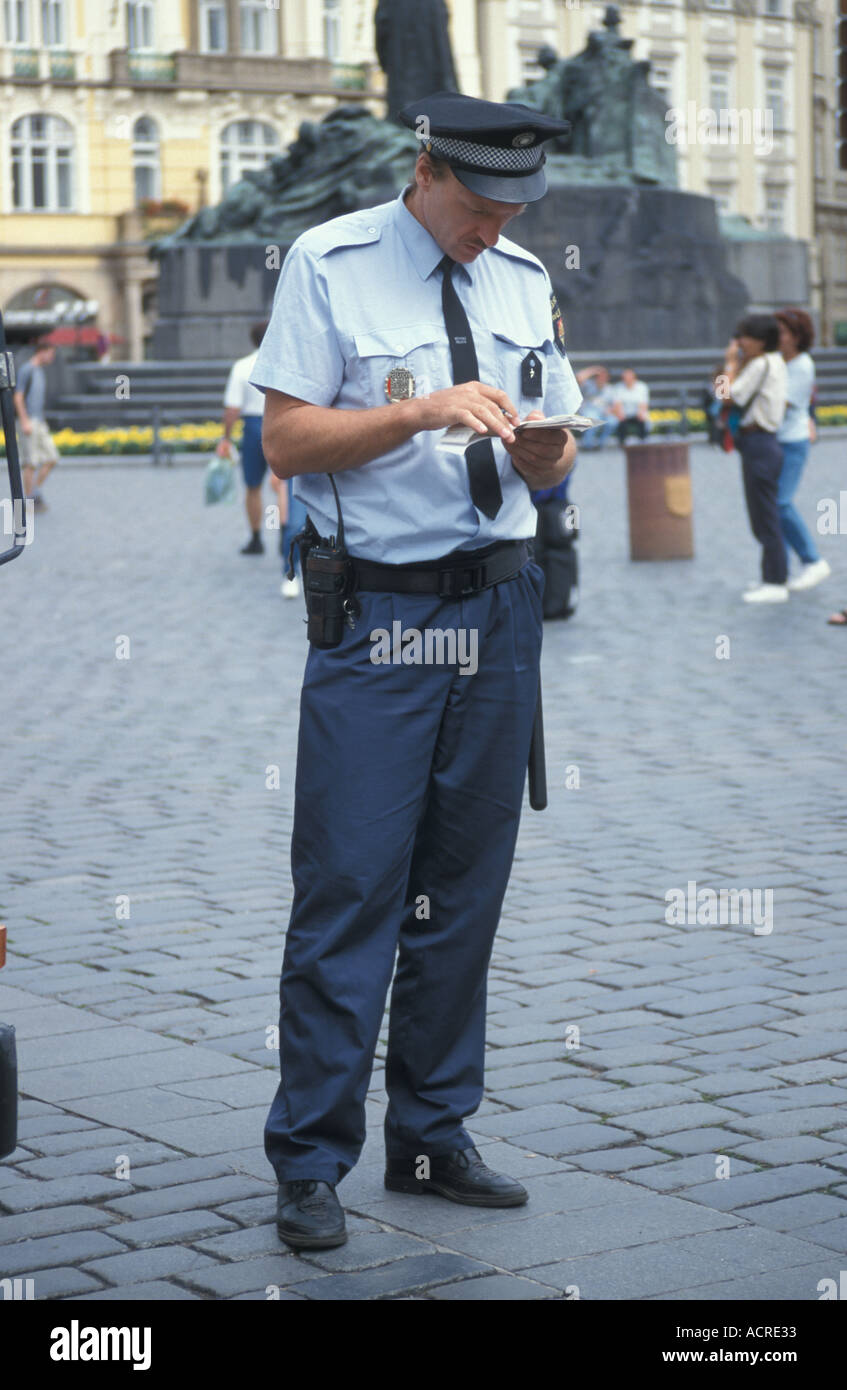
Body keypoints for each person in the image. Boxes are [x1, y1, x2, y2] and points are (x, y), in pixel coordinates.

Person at [250, 91, 581, 1250]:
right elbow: (284, 439)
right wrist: (416, 414)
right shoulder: (329, 263)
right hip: (379, 620)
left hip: (499, 608)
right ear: (424, 167)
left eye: (512, 210)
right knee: (350, 885)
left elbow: (559, 433)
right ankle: (310, 1158)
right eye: (478, 206)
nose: (491, 228)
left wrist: (546, 452)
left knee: (463, 888)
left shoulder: (524, 273)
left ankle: (433, 1130)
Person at [722, 314, 788, 603]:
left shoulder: (760, 363)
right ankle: (770, 577)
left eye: (744, 336)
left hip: (759, 442)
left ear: (760, 340)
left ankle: (775, 582)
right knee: (764, 513)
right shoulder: (775, 362)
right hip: (765, 442)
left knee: (765, 515)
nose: (740, 342)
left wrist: (731, 364)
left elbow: (726, 395)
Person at [775, 307, 830, 592]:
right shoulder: (769, 361)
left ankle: (813, 560)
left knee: (780, 503)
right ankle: (777, 573)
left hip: (790, 440)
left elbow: (783, 406)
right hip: (763, 442)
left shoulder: (801, 365)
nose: (776, 336)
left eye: (782, 331)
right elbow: (721, 393)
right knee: (769, 508)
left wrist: (739, 397)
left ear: (797, 337)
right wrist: (730, 364)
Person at [13, 337, 58, 512]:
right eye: (51, 354)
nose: (52, 358)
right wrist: (24, 421)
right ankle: (29, 500)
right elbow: (18, 396)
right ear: (42, 351)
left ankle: (33, 493)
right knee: (30, 462)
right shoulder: (27, 370)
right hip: (29, 421)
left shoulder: (39, 371)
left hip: (39, 421)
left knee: (52, 458)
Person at [575, 365, 615, 449]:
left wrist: (610, 410)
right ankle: (587, 444)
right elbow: (579, 377)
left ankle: (600, 444)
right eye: (600, 376)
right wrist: (594, 370)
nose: (602, 379)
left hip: (603, 412)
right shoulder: (589, 385)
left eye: (604, 377)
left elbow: (614, 405)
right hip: (588, 410)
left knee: (613, 421)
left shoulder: (610, 389)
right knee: (593, 418)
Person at [610, 366, 650, 443]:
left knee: (644, 419)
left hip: (637, 413)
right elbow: (617, 403)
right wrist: (620, 414)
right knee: (619, 420)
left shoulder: (642, 387)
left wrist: (640, 413)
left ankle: (643, 441)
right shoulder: (618, 387)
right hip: (624, 413)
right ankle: (622, 442)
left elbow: (643, 403)